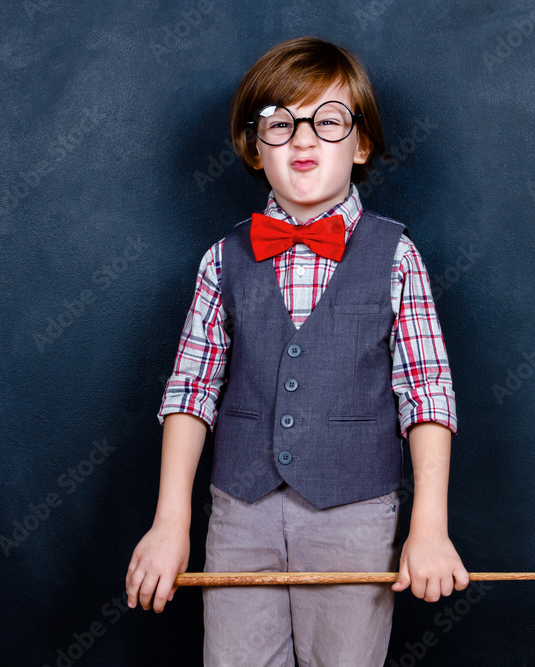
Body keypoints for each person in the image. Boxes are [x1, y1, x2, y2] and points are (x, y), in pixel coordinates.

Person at [125, 35, 467, 666]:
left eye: (327, 121)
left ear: (361, 143)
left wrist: (430, 527)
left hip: (354, 514)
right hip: (240, 512)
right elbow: (191, 391)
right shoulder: (220, 259)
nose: (303, 139)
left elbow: (427, 392)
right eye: (279, 125)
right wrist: (171, 523)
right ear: (256, 149)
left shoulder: (397, 255)